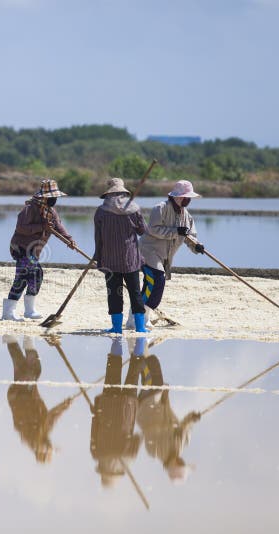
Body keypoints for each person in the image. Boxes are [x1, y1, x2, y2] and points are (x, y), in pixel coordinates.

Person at [134, 180, 205, 329]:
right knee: (157, 280)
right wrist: (175, 231)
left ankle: (135, 317)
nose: (189, 200)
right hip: (147, 252)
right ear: (178, 197)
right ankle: (143, 317)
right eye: (187, 197)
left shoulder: (187, 217)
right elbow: (153, 230)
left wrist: (196, 247)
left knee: (150, 284)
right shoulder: (160, 209)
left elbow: (190, 236)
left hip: (164, 257)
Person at [3, 179, 76, 321]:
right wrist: (41, 227)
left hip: (34, 251)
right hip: (21, 247)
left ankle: (29, 311)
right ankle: (8, 312)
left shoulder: (51, 211)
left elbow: (58, 227)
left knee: (35, 276)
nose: (54, 199)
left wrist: (69, 239)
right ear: (44, 196)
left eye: (55, 197)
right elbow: (21, 228)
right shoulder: (30, 209)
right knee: (27, 275)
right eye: (52, 197)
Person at [135, 336, 200, 483]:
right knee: (151, 372)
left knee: (153, 375)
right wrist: (192, 418)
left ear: (172, 466)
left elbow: (151, 430)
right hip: (158, 403)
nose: (182, 461)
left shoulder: (154, 452)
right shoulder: (181, 446)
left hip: (147, 407)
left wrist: (171, 430)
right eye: (183, 463)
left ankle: (138, 343)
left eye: (180, 465)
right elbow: (184, 427)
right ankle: (140, 343)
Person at [3, 334, 74, 463]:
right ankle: (15, 338)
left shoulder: (32, 435)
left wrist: (64, 406)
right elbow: (52, 418)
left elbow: (49, 417)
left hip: (20, 394)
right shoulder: (41, 434)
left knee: (33, 370)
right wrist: (65, 405)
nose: (50, 445)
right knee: (27, 369)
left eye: (47, 449)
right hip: (21, 393)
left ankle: (20, 338)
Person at [93, 177, 148, 333]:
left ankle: (116, 328)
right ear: (123, 193)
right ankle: (140, 327)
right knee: (135, 292)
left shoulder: (101, 212)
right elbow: (143, 231)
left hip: (109, 260)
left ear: (108, 195)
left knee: (114, 293)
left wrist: (98, 257)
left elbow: (98, 238)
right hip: (130, 259)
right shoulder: (134, 209)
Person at [90, 338, 144, 487]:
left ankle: (141, 341)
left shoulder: (127, 458)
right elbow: (94, 426)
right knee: (113, 367)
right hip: (107, 404)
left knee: (134, 370)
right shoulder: (97, 454)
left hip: (127, 408)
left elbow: (138, 438)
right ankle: (118, 339)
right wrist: (96, 409)